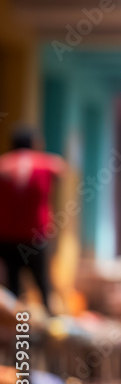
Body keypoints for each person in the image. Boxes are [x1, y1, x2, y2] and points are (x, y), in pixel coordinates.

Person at [0, 126, 66, 311]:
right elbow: (63, 169)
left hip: (6, 236)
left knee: (12, 288)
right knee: (43, 285)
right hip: (36, 235)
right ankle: (49, 327)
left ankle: (13, 329)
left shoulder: (3, 165)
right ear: (34, 144)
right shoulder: (47, 164)